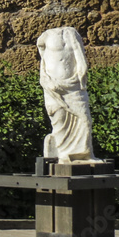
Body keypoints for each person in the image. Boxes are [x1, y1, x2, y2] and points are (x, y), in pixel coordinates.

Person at [37, 26, 98, 162]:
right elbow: (41, 50)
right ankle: (63, 154)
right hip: (54, 86)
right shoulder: (46, 36)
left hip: (75, 85)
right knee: (59, 119)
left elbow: (79, 54)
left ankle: (85, 154)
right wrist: (47, 79)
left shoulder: (73, 35)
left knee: (85, 118)